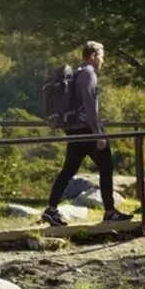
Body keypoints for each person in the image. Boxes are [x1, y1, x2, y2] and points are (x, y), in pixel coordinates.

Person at [42, 41, 134, 226]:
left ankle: (51, 209)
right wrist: (99, 135)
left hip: (74, 128)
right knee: (106, 166)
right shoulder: (88, 75)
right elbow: (91, 109)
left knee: (69, 170)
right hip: (87, 130)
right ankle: (110, 212)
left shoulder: (76, 74)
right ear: (92, 56)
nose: (102, 61)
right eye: (101, 57)